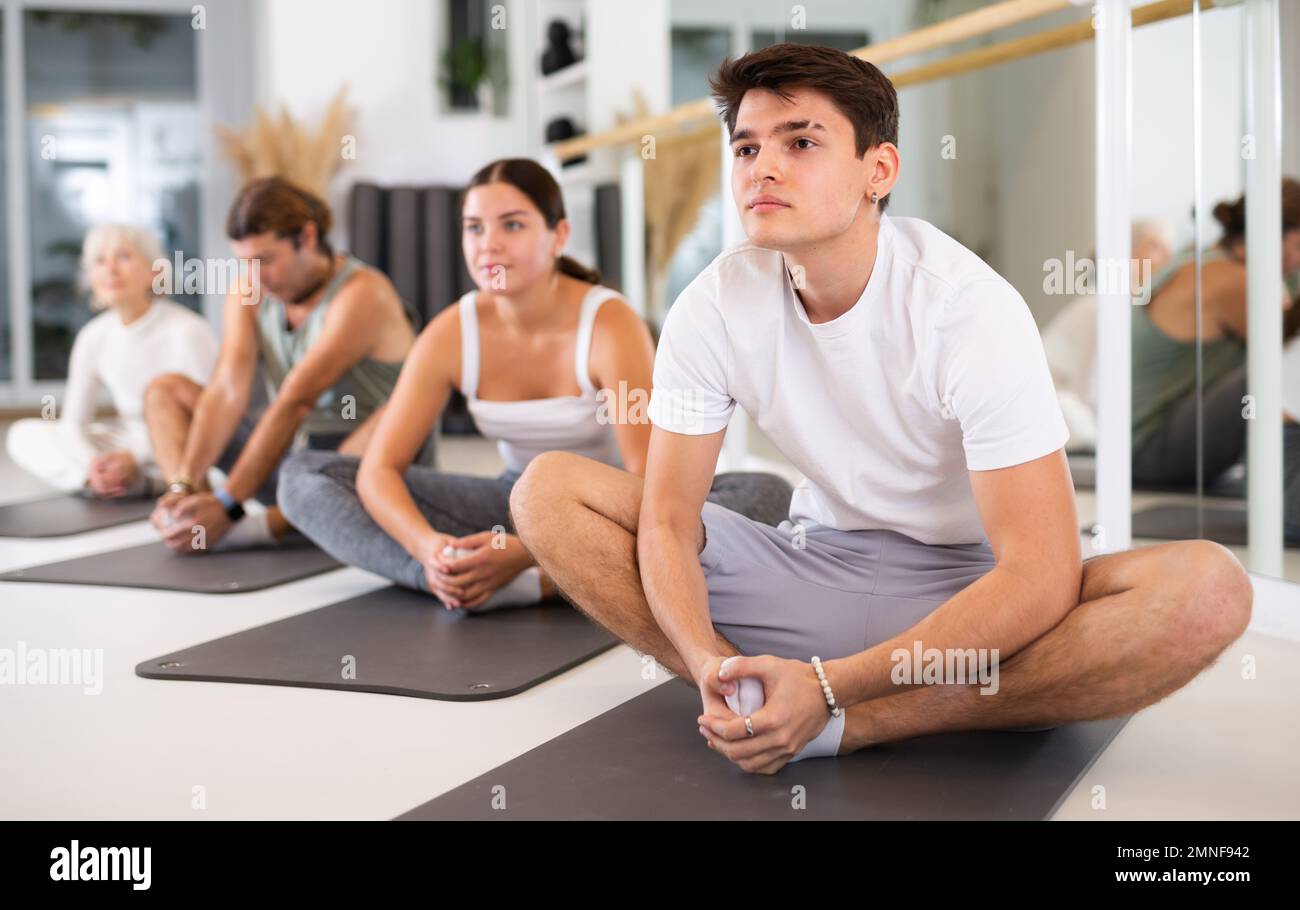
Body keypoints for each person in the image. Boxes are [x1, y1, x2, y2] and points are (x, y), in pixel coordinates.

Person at [508, 43, 1253, 775]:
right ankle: (750, 703)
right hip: (811, 568)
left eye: (800, 142)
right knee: (546, 493)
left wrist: (835, 692)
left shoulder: (967, 309)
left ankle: (851, 724)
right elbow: (669, 521)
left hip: (975, 604)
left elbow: (1040, 574)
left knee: (1209, 590)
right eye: (745, 149)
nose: (762, 167)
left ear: (879, 171)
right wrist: (707, 661)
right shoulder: (712, 305)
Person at [278, 158, 792, 611]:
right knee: (304, 477)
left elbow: (648, 478)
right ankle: (453, 583)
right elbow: (379, 470)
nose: (489, 245)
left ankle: (543, 583)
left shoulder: (610, 324)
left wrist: (528, 554)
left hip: (613, 507)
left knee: (764, 491)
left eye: (513, 225)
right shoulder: (452, 332)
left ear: (559, 236)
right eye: (474, 227)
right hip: (512, 502)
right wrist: (429, 551)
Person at [143, 176, 418, 553]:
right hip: (292, 460)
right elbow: (226, 391)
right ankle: (191, 516)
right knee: (165, 390)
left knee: (391, 413)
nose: (255, 276)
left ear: (306, 237)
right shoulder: (249, 291)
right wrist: (184, 483)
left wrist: (230, 504)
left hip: (360, 468)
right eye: (245, 263)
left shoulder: (363, 294)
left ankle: (247, 527)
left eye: (266, 261)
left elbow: (295, 401)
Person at [1131, 179, 1300, 539]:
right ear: (1273, 236)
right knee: (1269, 372)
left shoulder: (1199, 259)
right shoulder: (1235, 281)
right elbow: (1289, 349)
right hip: (1151, 449)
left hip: (1139, 443)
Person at [6, 223, 216, 496]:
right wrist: (93, 464)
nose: (111, 270)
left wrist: (137, 459)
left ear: (156, 271)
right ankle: (104, 481)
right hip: (128, 440)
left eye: (124, 257)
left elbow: (212, 421)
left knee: (216, 465)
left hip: (182, 443)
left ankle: (149, 479)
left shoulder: (188, 329)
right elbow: (73, 423)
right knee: (22, 435)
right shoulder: (92, 337)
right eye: (100, 261)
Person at [1042, 219, 1173, 452]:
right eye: (1155, 246)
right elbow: (1095, 392)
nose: (1168, 256)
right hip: (1066, 419)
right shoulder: (1102, 307)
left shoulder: (1128, 307)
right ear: (1125, 252)